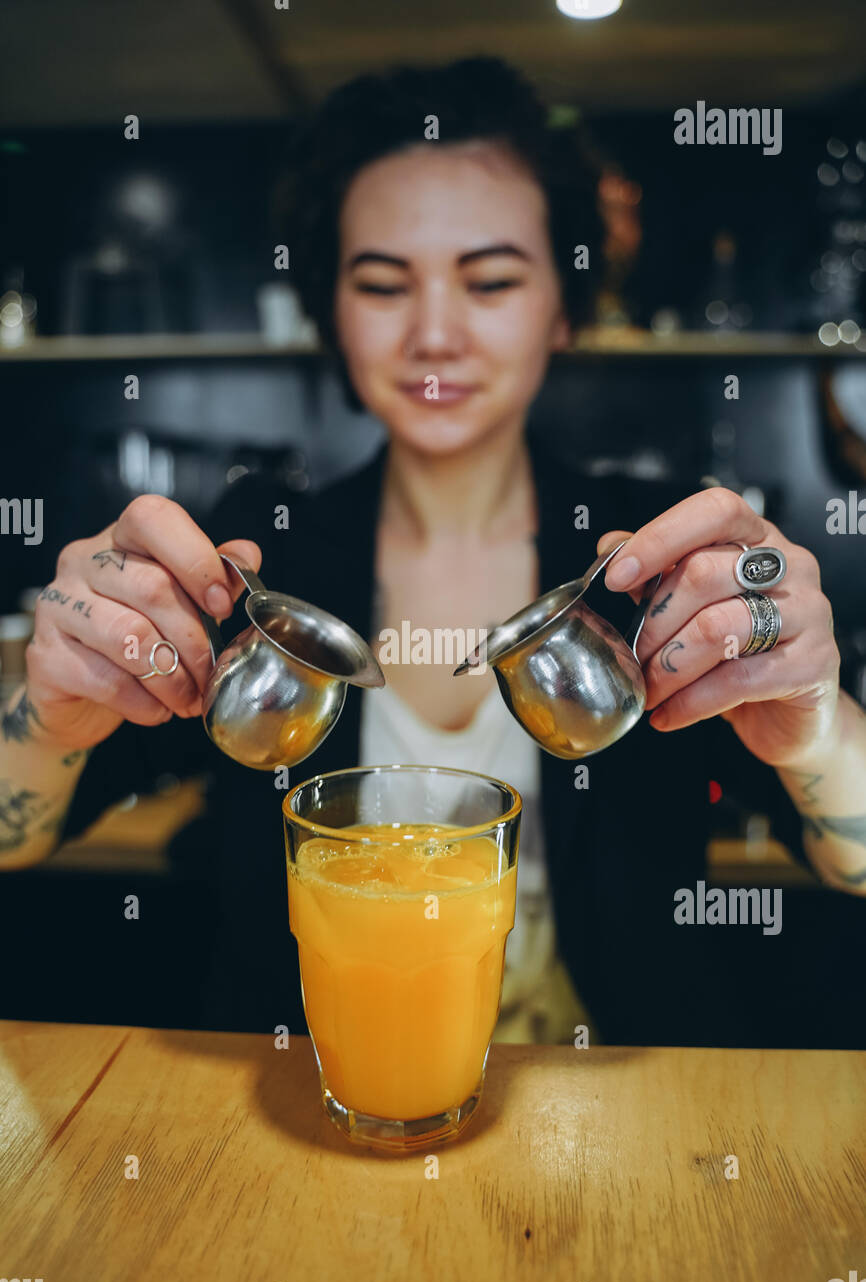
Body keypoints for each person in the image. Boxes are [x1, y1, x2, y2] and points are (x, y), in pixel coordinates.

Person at [2, 58, 864, 1048]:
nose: (434, 333)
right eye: (381, 283)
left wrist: (817, 729)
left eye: (490, 278)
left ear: (563, 305)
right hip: (309, 1109)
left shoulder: (657, 559)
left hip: (617, 1128)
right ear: (330, 307)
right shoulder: (250, 559)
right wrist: (51, 713)